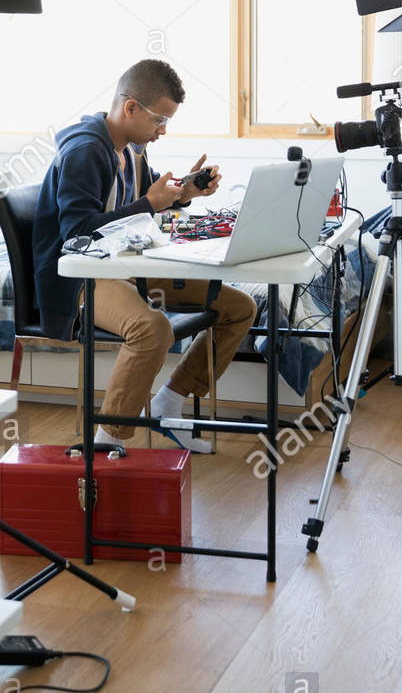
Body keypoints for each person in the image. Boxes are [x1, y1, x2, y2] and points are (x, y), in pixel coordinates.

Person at [33, 59, 257, 453]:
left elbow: (137, 210)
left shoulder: (132, 150)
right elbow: (76, 233)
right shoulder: (86, 151)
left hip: (126, 266)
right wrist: (150, 204)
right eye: (158, 120)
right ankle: (106, 443)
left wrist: (181, 196)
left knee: (238, 307)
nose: (162, 131)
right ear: (130, 107)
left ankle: (172, 400)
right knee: (152, 330)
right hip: (79, 277)